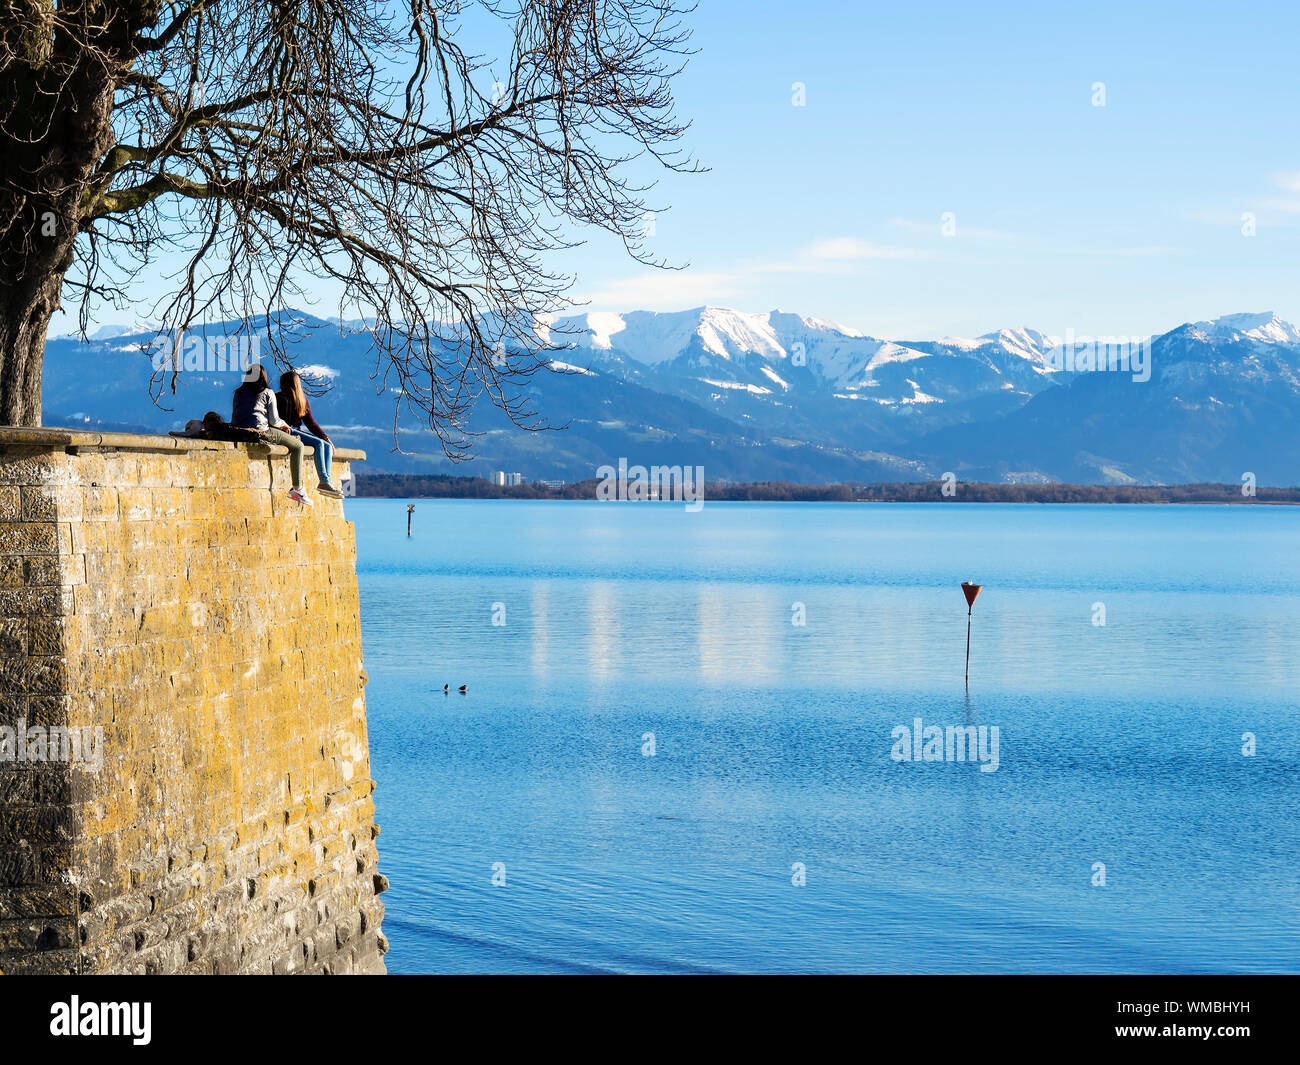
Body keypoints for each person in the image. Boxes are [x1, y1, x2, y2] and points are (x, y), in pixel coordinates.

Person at [231, 365, 312, 506]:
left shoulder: (238, 392)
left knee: (284, 437)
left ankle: (298, 489)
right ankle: (297, 489)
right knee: (298, 446)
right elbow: (274, 420)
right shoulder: (267, 392)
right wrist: (285, 425)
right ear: (263, 376)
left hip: (239, 431)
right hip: (260, 431)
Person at [276, 370, 341, 498]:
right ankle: (324, 481)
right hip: (286, 430)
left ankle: (327, 482)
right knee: (318, 444)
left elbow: (311, 424)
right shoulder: (278, 398)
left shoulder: (302, 401)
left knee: (326, 445)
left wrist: (327, 438)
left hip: (297, 430)